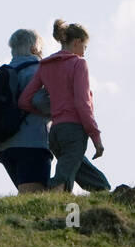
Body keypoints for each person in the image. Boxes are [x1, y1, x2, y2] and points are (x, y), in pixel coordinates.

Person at [17, 19, 109, 193]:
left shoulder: (45, 66)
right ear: (76, 42)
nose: (84, 52)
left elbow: (24, 100)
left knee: (82, 171)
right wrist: (96, 138)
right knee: (62, 181)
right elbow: (83, 104)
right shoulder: (78, 63)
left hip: (55, 133)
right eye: (85, 46)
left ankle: (103, 190)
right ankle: (46, 203)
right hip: (74, 131)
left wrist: (53, 112)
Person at [0, 29, 53, 193]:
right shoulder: (38, 71)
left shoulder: (2, 72)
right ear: (35, 49)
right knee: (34, 197)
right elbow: (39, 100)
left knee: (29, 194)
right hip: (32, 143)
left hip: (2, 145)